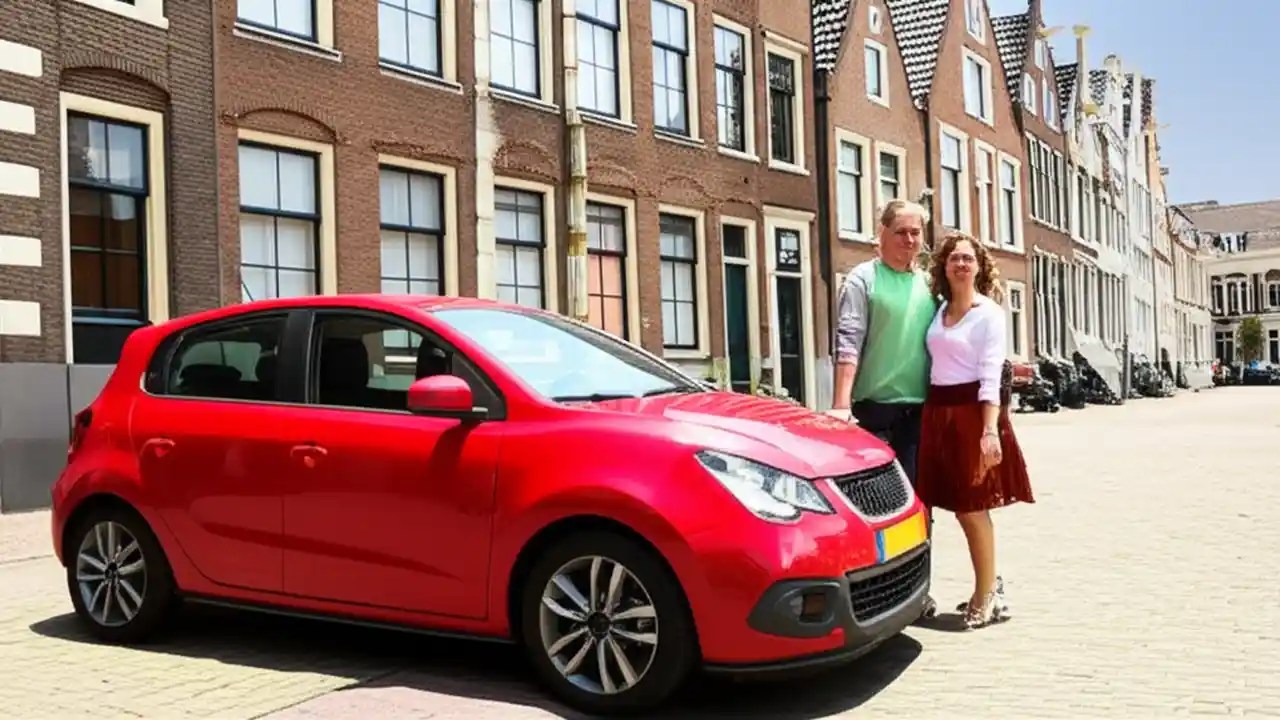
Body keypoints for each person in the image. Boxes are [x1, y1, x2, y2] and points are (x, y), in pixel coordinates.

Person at [914, 232, 1035, 630]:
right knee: (947, 504)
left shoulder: (989, 314)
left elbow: (990, 374)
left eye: (968, 258)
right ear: (944, 267)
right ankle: (990, 583)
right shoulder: (939, 310)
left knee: (971, 507)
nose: (961, 264)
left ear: (979, 267)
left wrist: (989, 430)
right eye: (954, 258)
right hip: (938, 413)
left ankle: (986, 594)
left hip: (972, 414)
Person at [829, 199, 938, 618]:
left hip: (918, 412)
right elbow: (848, 341)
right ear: (882, 233)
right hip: (873, 412)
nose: (909, 241)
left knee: (919, 508)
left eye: (915, 233)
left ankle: (919, 592)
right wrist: (841, 406)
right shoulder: (863, 279)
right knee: (875, 509)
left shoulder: (928, 285)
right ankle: (877, 597)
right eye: (901, 232)